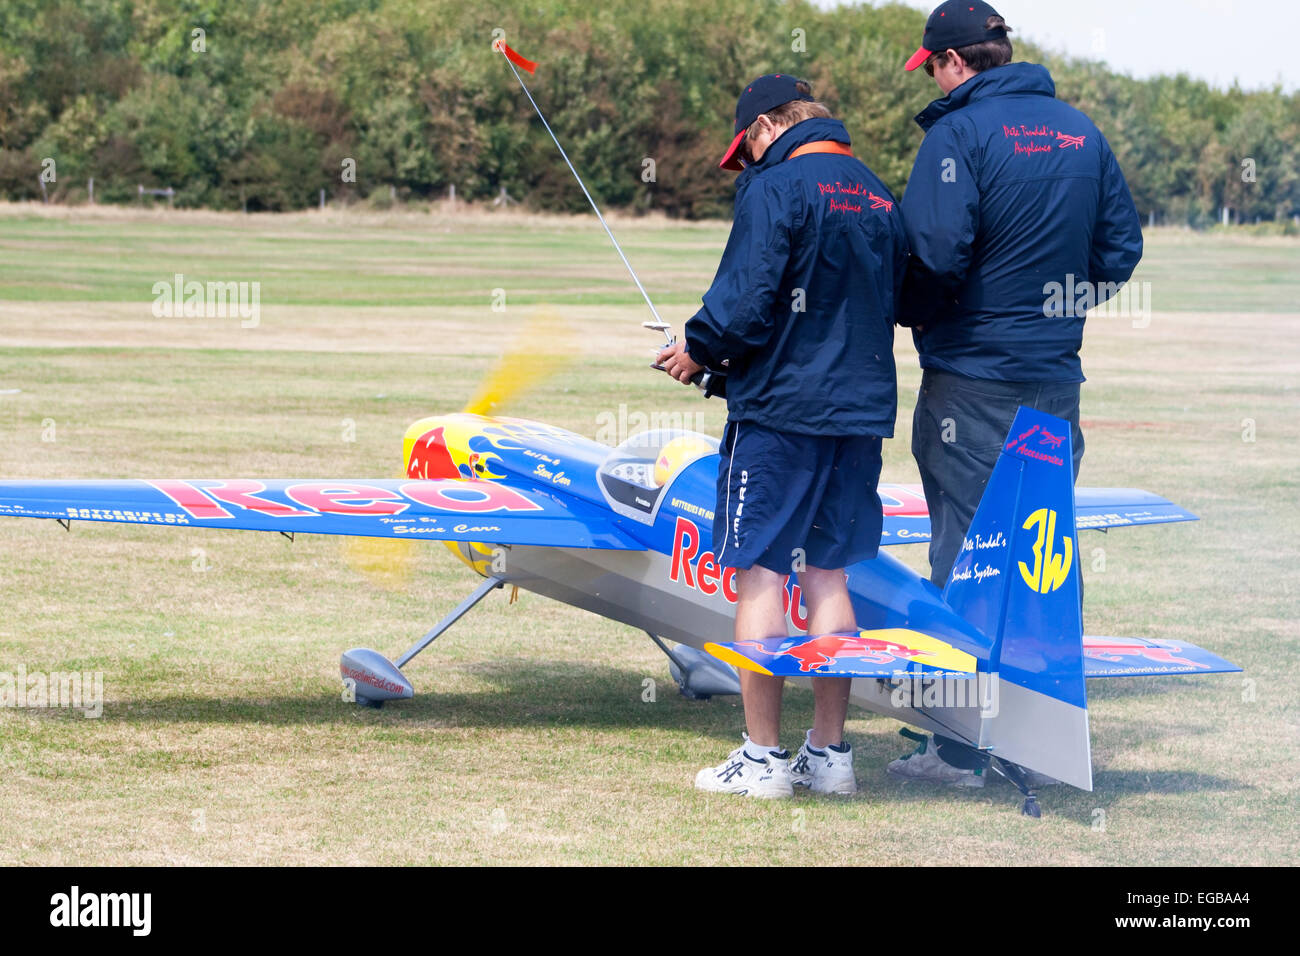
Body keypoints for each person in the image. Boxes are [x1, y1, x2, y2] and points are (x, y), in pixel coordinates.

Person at [887, 0, 1143, 786]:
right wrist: (1051, 311)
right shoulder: (1082, 131)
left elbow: (932, 258)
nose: (931, 77)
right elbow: (1120, 250)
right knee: (1041, 556)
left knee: (966, 554)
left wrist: (925, 317)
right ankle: (1033, 726)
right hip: (1054, 380)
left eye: (931, 65)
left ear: (955, 62)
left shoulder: (957, 135)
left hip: (972, 381)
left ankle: (960, 747)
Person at [657, 73, 908, 798]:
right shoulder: (877, 191)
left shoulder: (777, 188)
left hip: (781, 419)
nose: (748, 168)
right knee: (830, 573)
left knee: (761, 572)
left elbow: (745, 299)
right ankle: (831, 756)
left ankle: (762, 758)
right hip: (860, 414)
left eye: (747, 152)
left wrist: (697, 349)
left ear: (768, 127)